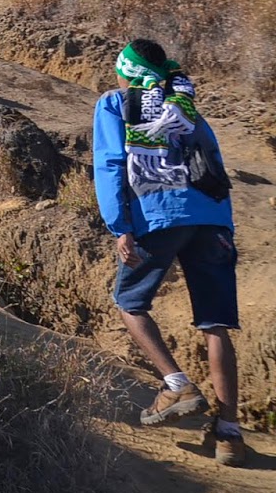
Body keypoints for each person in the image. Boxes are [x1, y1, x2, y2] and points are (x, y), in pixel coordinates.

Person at [94, 38, 244, 466]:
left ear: (125, 71)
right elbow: (214, 160)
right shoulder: (185, 105)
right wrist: (224, 225)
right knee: (215, 324)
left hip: (157, 213)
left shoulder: (114, 104)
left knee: (129, 303)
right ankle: (229, 434)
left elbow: (110, 164)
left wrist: (121, 227)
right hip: (212, 218)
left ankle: (176, 385)